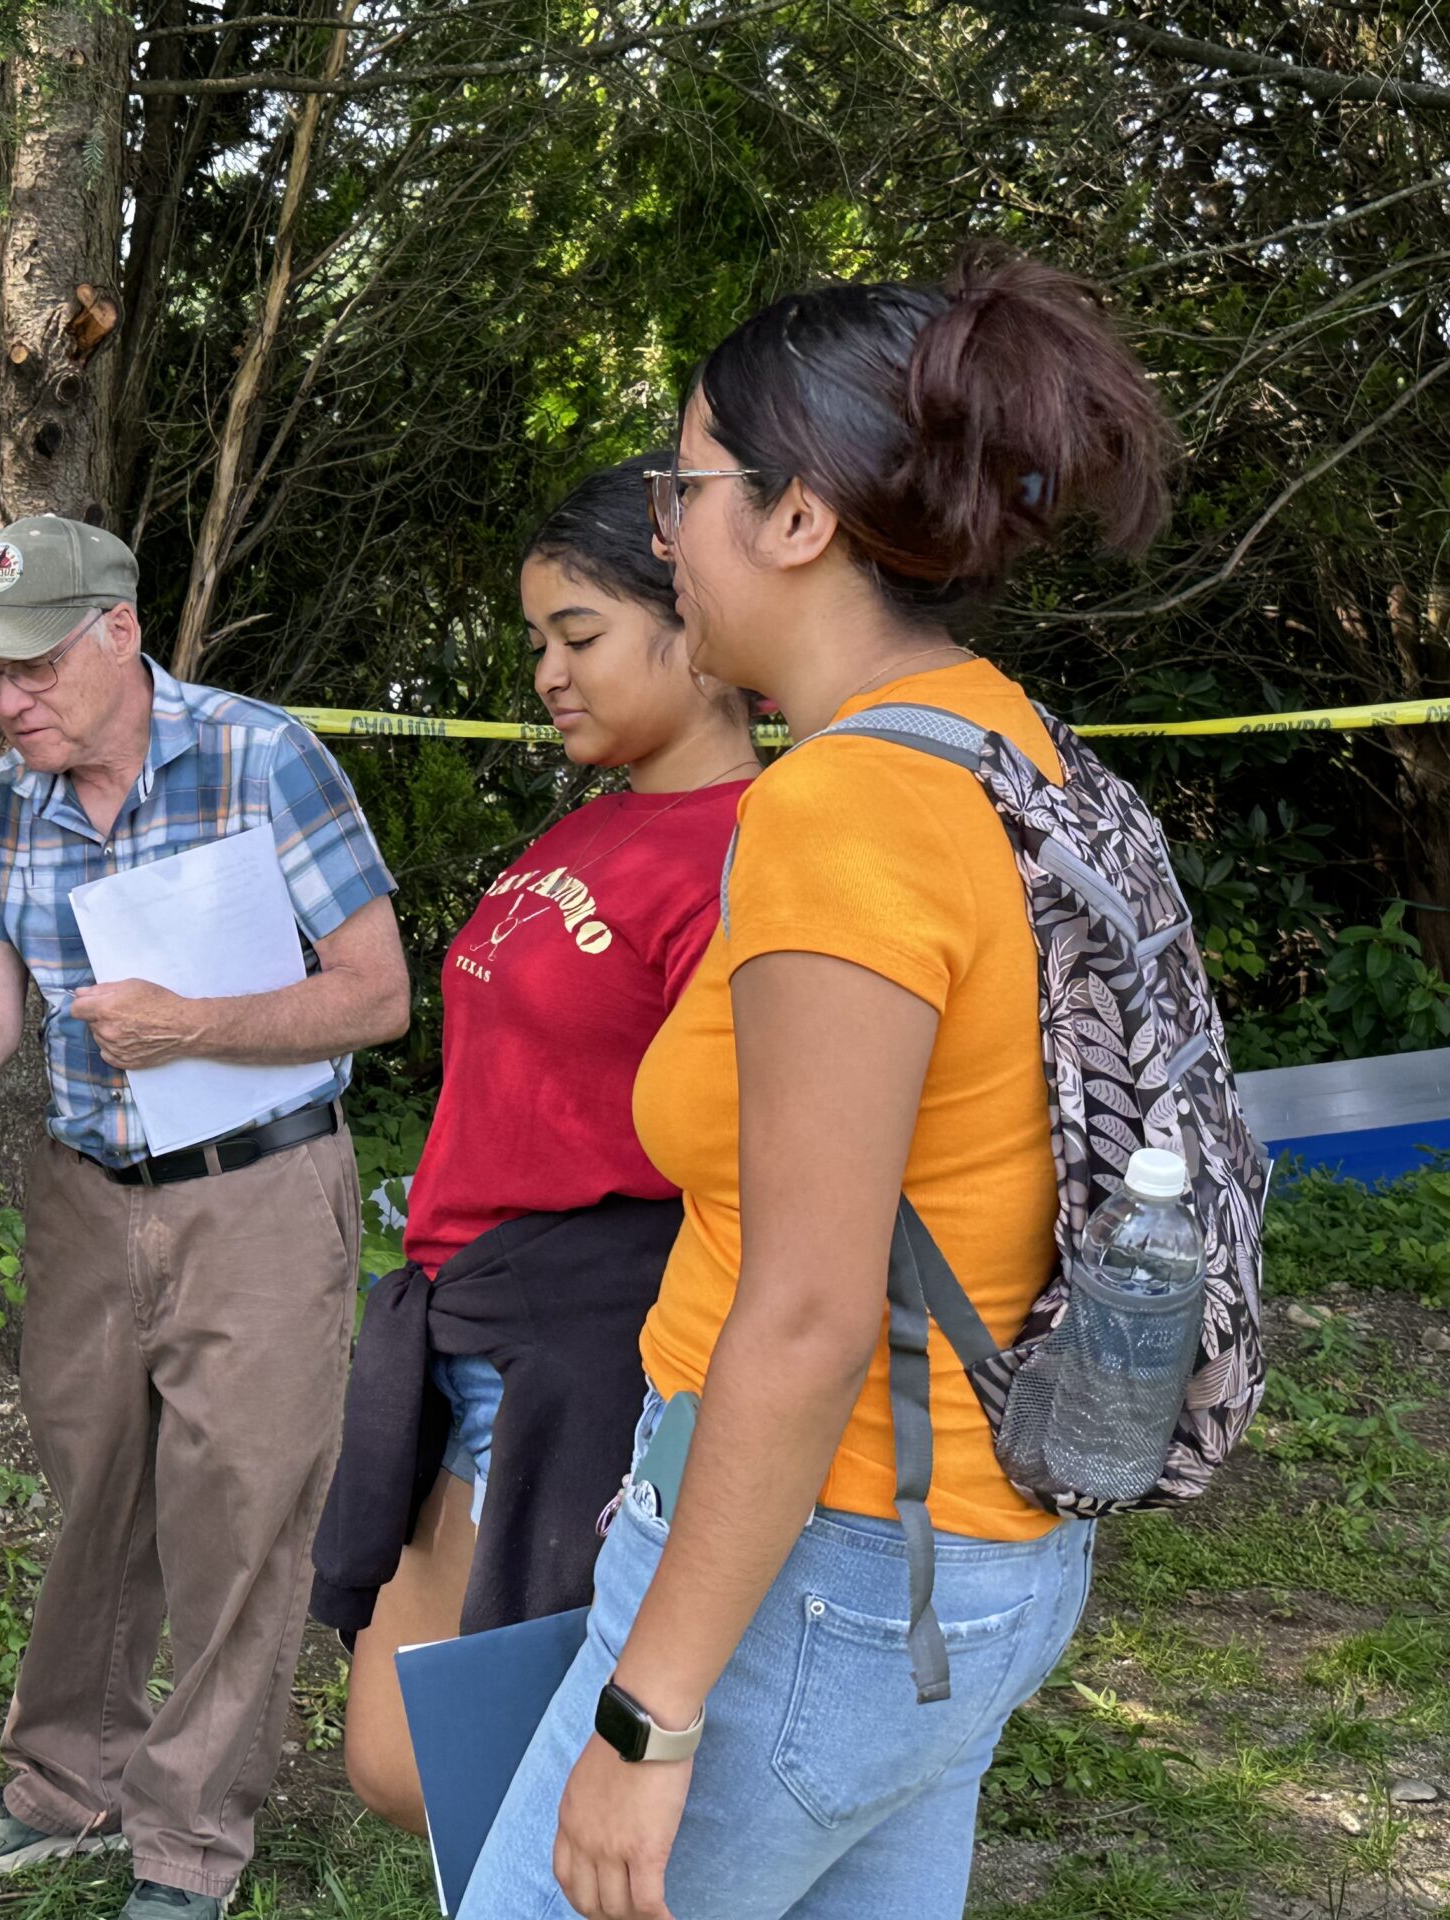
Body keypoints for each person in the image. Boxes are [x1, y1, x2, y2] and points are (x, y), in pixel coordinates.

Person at [458, 254, 1175, 1920]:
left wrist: (649, 1711)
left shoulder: (841, 812)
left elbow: (804, 1309)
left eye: (685, 486)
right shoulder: (1003, 740)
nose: (665, 531)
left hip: (821, 1566)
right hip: (980, 1552)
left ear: (795, 518)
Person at [0, 514, 409, 1920]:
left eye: (32, 668)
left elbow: (378, 993)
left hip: (259, 1192)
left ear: (122, 631)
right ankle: (68, 1781)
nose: (5, 700)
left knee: (239, 1514)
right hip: (86, 1199)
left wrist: (196, 1024)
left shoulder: (262, 756)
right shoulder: (8, 807)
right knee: (95, 1495)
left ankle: (189, 1841)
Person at [310, 457, 761, 1835]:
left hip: (577, 1349)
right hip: (465, 1320)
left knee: (479, 1770)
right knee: (410, 1760)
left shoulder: (747, 853)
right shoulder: (599, 818)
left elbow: (752, 1161)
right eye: (537, 643)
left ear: (696, 624)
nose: (549, 675)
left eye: (581, 636)